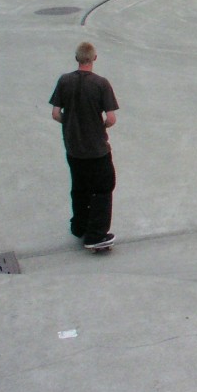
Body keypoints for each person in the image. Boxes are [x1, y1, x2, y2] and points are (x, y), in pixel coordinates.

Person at [50, 41, 120, 249]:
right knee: (103, 187)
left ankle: (79, 227)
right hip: (97, 150)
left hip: (73, 148)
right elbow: (111, 118)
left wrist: (70, 123)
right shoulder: (101, 84)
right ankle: (96, 236)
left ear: (77, 58)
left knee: (79, 187)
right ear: (94, 58)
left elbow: (55, 113)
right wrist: (101, 126)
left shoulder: (64, 81)